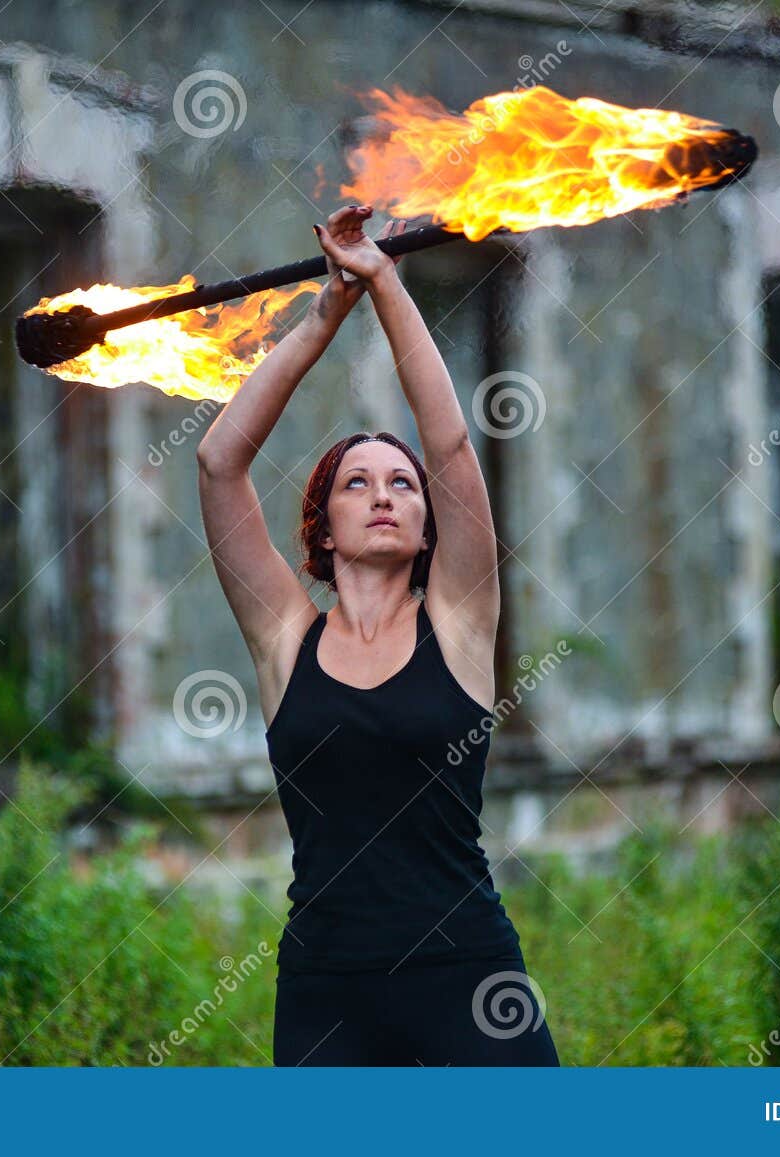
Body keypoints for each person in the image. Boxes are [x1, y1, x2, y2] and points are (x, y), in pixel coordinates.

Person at [196, 204, 559, 1066]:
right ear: (322, 526)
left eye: (402, 483)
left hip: (466, 975)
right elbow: (218, 462)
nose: (387, 493)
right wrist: (326, 313)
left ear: (431, 525)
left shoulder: (463, 622)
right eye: (358, 483)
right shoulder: (286, 636)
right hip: (329, 986)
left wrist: (385, 283)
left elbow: (453, 450)